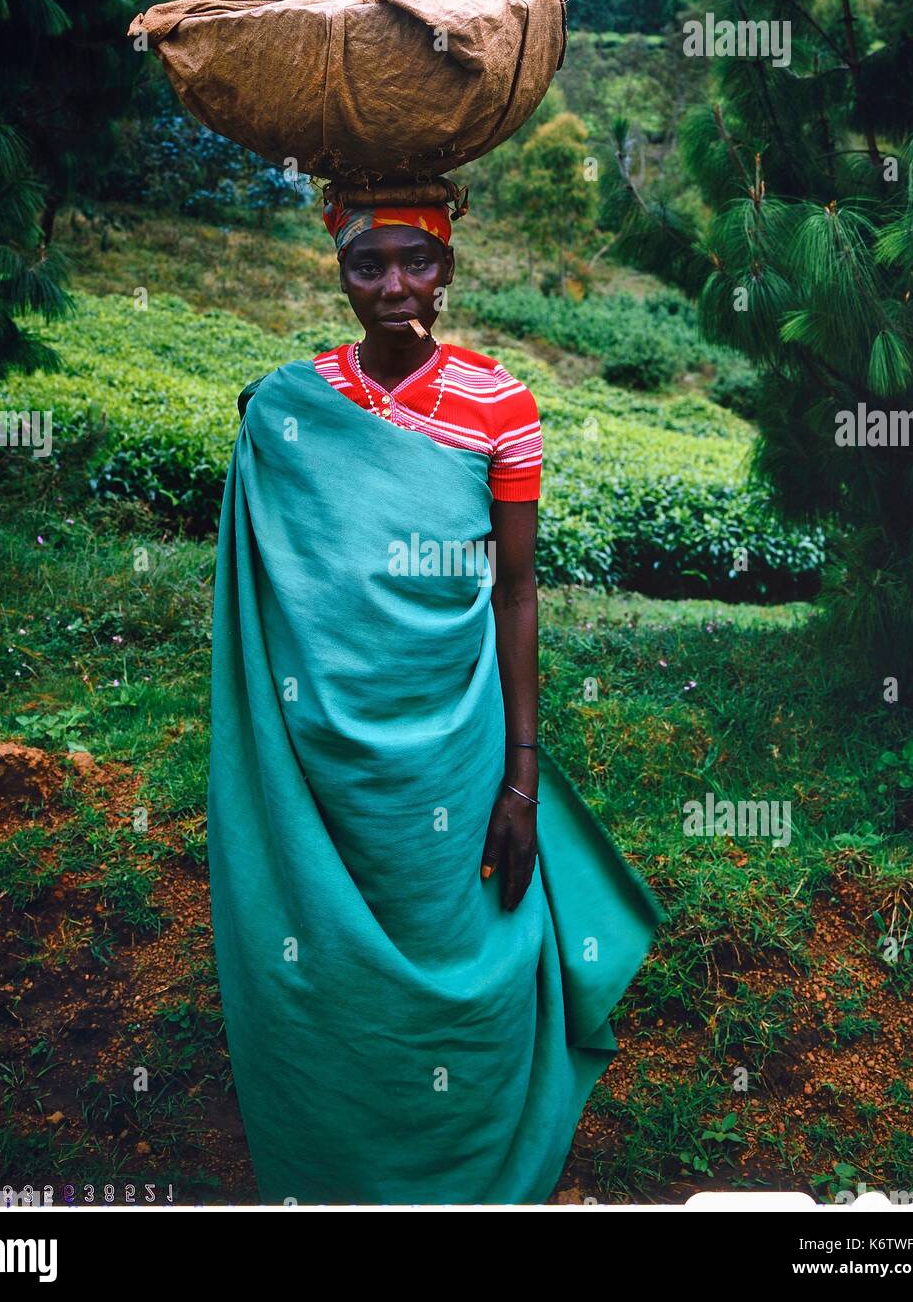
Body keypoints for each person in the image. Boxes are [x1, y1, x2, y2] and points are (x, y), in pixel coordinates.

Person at [206, 190, 666, 1206]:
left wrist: (521, 775)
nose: (394, 288)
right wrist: (272, 413)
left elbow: (514, 588)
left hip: (454, 743)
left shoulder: (502, 406)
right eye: (368, 265)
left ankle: (473, 1161)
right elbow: (284, 520)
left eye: (415, 263)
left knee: (475, 952)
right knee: (322, 954)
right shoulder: (294, 400)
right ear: (340, 272)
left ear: (448, 269)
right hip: (322, 747)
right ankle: (341, 1163)